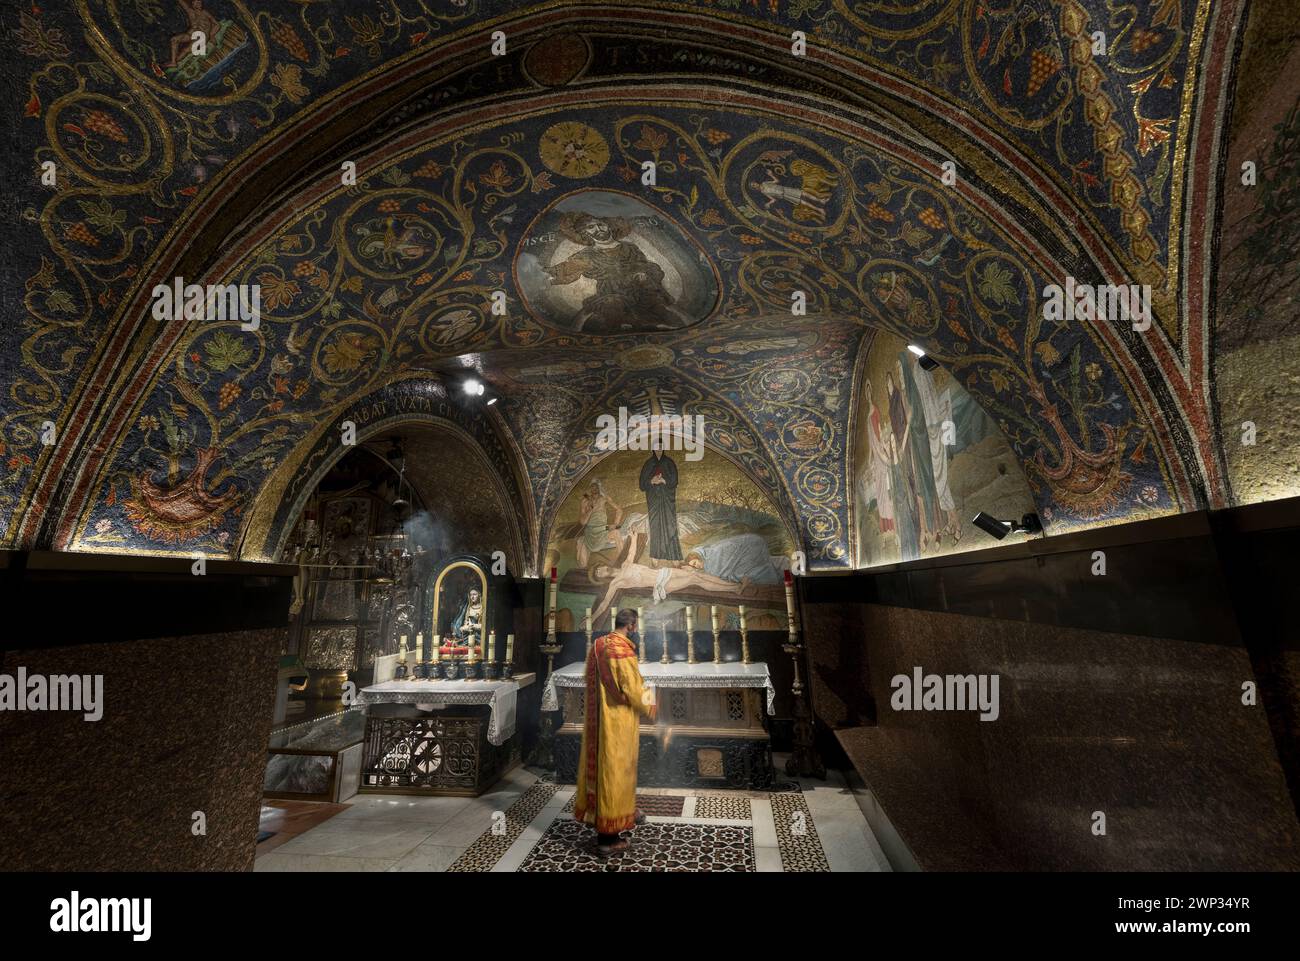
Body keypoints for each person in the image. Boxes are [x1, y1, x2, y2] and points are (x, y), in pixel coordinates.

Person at [574, 609, 657, 857]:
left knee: (602, 773)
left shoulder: (598, 645)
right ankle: (608, 839)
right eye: (635, 626)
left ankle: (612, 813)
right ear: (631, 626)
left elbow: (588, 678)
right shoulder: (623, 651)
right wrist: (652, 705)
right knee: (616, 773)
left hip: (596, 722)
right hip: (616, 725)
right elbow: (633, 688)